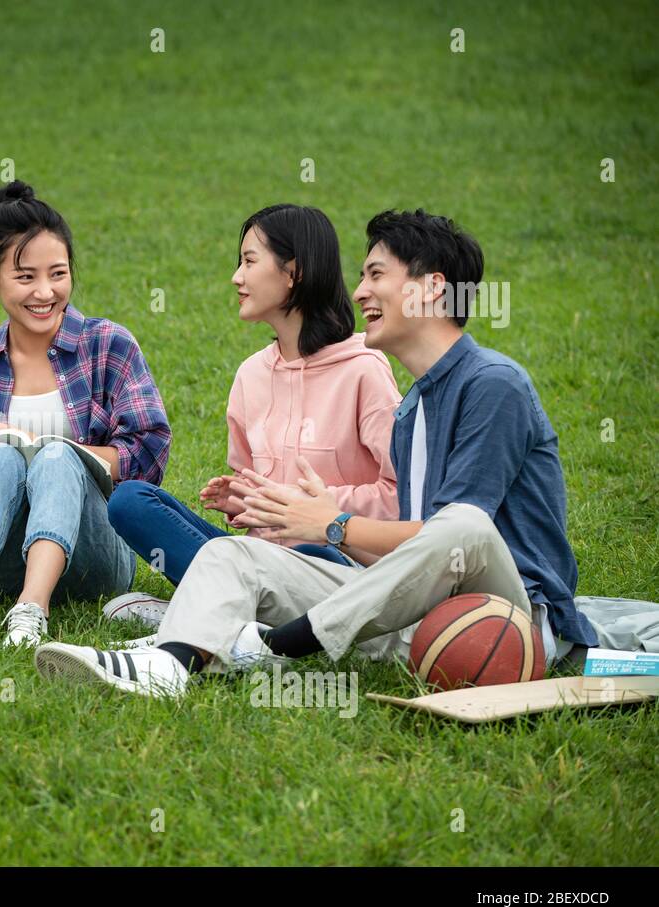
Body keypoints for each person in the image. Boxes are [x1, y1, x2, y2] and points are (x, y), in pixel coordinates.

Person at [35, 208, 622, 697]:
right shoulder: (415, 406)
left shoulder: (492, 384)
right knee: (232, 557)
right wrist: (287, 519)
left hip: (508, 614)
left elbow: (459, 545)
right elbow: (408, 553)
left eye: (376, 274)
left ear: (431, 288)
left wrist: (333, 524)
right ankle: (171, 665)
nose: (360, 289)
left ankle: (266, 644)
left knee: (461, 523)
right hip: (410, 609)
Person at [103, 204, 400, 629]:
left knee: (311, 555)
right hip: (255, 562)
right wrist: (242, 502)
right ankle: (233, 615)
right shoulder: (251, 375)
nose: (236, 277)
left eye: (249, 261)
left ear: (293, 271)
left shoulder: (363, 370)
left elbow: (400, 497)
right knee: (130, 501)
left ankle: (203, 613)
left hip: (335, 564)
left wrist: (314, 509)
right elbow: (255, 494)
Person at [0, 181, 172, 648]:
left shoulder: (109, 346)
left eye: (57, 274)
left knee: (56, 457)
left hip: (97, 554)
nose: (44, 292)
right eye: (25, 277)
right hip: (4, 561)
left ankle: (32, 611)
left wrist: (60, 450)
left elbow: (147, 453)